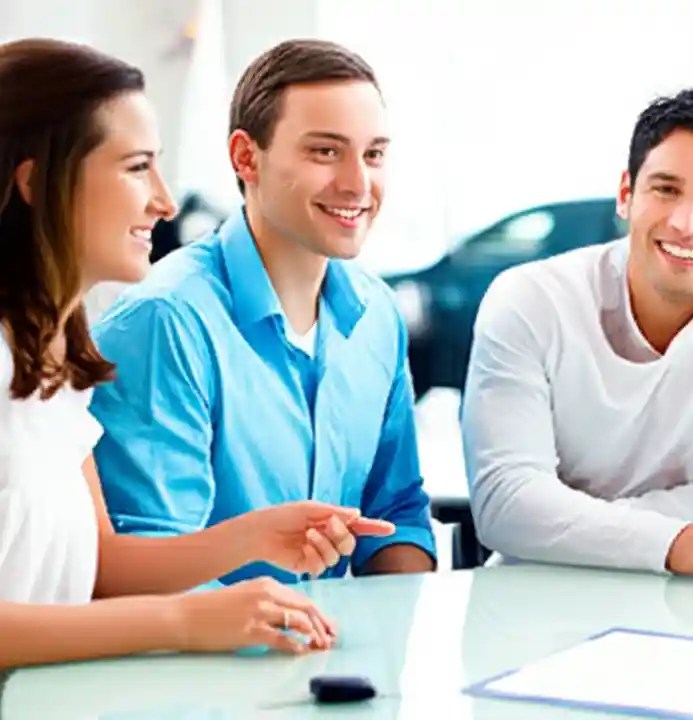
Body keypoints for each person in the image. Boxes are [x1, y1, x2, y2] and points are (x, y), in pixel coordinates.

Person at [0, 38, 399, 668]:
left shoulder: (56, 362)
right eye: (137, 167)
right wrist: (184, 617)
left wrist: (251, 538)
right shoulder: (160, 318)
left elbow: (101, 563)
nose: (165, 200)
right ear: (38, 181)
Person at [88, 39, 437, 584]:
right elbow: (148, 569)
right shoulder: (165, 322)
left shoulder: (377, 316)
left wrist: (390, 648)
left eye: (373, 154)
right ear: (246, 157)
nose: (358, 183)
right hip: (203, 661)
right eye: (325, 152)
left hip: (327, 656)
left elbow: (396, 515)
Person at [462, 87, 693, 580]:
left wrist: (563, 525)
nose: (687, 223)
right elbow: (505, 505)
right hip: (534, 599)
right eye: (666, 189)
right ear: (625, 194)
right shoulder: (529, 300)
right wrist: (675, 542)